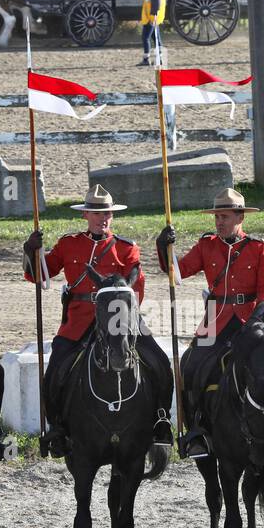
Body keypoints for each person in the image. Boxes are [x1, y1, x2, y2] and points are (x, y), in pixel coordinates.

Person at [157, 187, 264, 458]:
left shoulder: (259, 247)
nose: (219, 222)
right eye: (217, 217)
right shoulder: (206, 245)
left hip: (256, 317)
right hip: (217, 317)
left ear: (240, 218)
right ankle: (195, 430)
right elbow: (178, 272)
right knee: (189, 364)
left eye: (225, 217)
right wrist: (164, 248)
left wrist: (255, 320)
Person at [22, 184, 174, 459]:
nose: (103, 218)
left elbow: (135, 290)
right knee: (55, 369)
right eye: (97, 213)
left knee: (159, 361)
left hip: (119, 318)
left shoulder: (126, 248)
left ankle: (161, 420)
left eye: (107, 214)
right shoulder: (69, 244)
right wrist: (31, 252)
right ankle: (57, 427)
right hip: (80, 319)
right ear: (86, 215)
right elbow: (39, 275)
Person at [139, 0, 166, 67]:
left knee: (145, 38)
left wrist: (154, 15)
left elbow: (156, 4)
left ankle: (146, 59)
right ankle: (160, 59)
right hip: (150, 18)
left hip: (151, 19)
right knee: (156, 39)